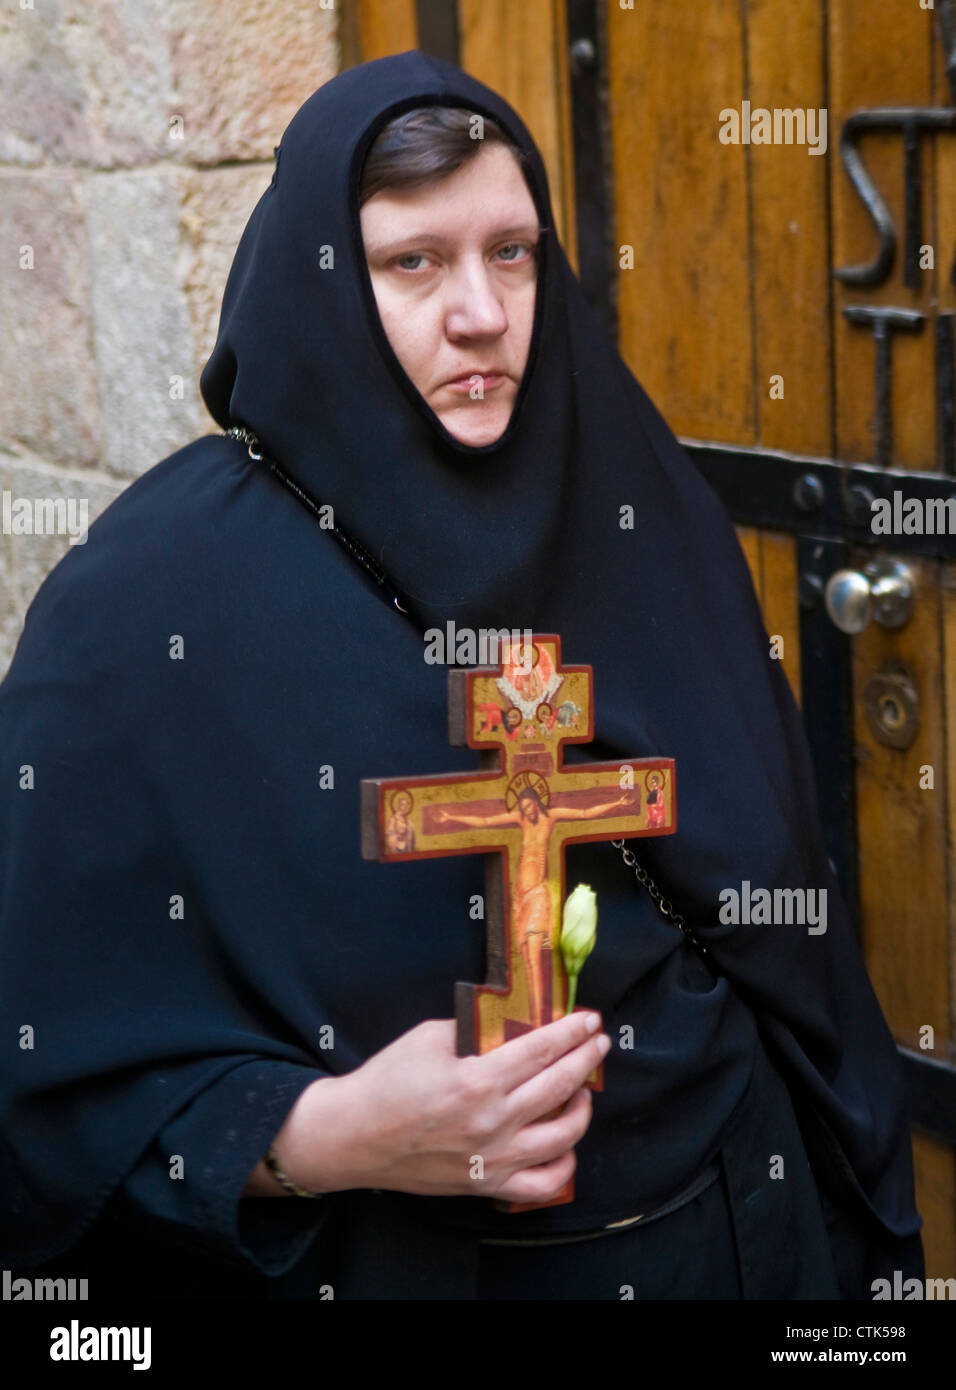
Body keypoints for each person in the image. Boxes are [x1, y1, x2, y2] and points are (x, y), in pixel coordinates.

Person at [0, 50, 924, 1301]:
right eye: (412, 261)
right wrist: (329, 1134)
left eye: (513, 251)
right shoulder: (141, 607)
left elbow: (771, 911)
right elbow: (51, 1066)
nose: (481, 310)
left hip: (735, 1232)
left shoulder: (635, 506)